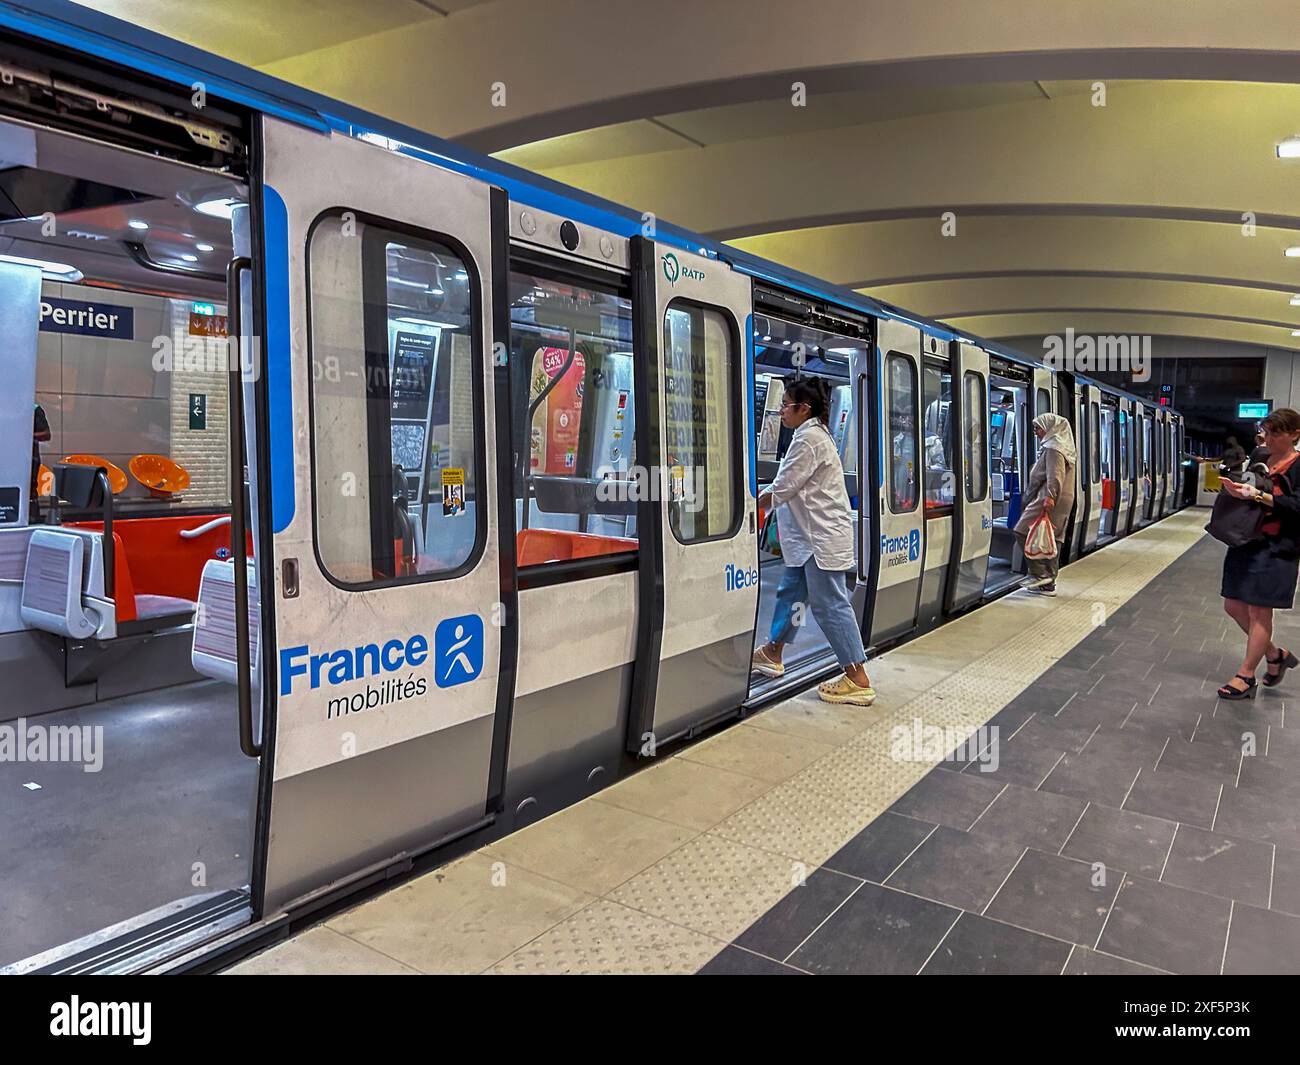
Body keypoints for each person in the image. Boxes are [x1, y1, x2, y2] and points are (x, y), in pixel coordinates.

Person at [752, 376, 875, 706]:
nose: (781, 411)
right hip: (809, 540)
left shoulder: (808, 440)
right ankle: (773, 652)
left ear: (803, 409)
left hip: (821, 539)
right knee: (791, 593)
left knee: (830, 604)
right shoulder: (813, 435)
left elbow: (783, 487)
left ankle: (856, 676)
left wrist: (743, 509)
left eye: (785, 405)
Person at [1216, 407, 1300, 699]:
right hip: (1247, 539)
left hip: (1278, 547)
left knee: (1259, 610)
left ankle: (1246, 675)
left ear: (1295, 435)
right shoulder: (1261, 456)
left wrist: (1261, 497)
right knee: (1233, 605)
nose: (1270, 437)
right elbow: (1250, 486)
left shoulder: (1299, 466)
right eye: (1268, 431)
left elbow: (1296, 507)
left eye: (1276, 433)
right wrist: (1237, 488)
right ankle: (1276, 655)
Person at [1013, 412, 1077, 596]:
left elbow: (1055, 476)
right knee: (1052, 538)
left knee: (1022, 530)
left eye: (1038, 428)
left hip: (1048, 499)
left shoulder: (1054, 448)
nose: (1036, 432)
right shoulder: (1064, 447)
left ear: (1050, 428)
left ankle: (1040, 575)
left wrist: (1050, 497)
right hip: (1062, 499)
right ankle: (1048, 584)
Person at [29, 402, 49, 524]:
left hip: (30, 457)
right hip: (11, 457)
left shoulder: (34, 409)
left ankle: (32, 520)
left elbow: (46, 434)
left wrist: (25, 436)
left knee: (31, 491)